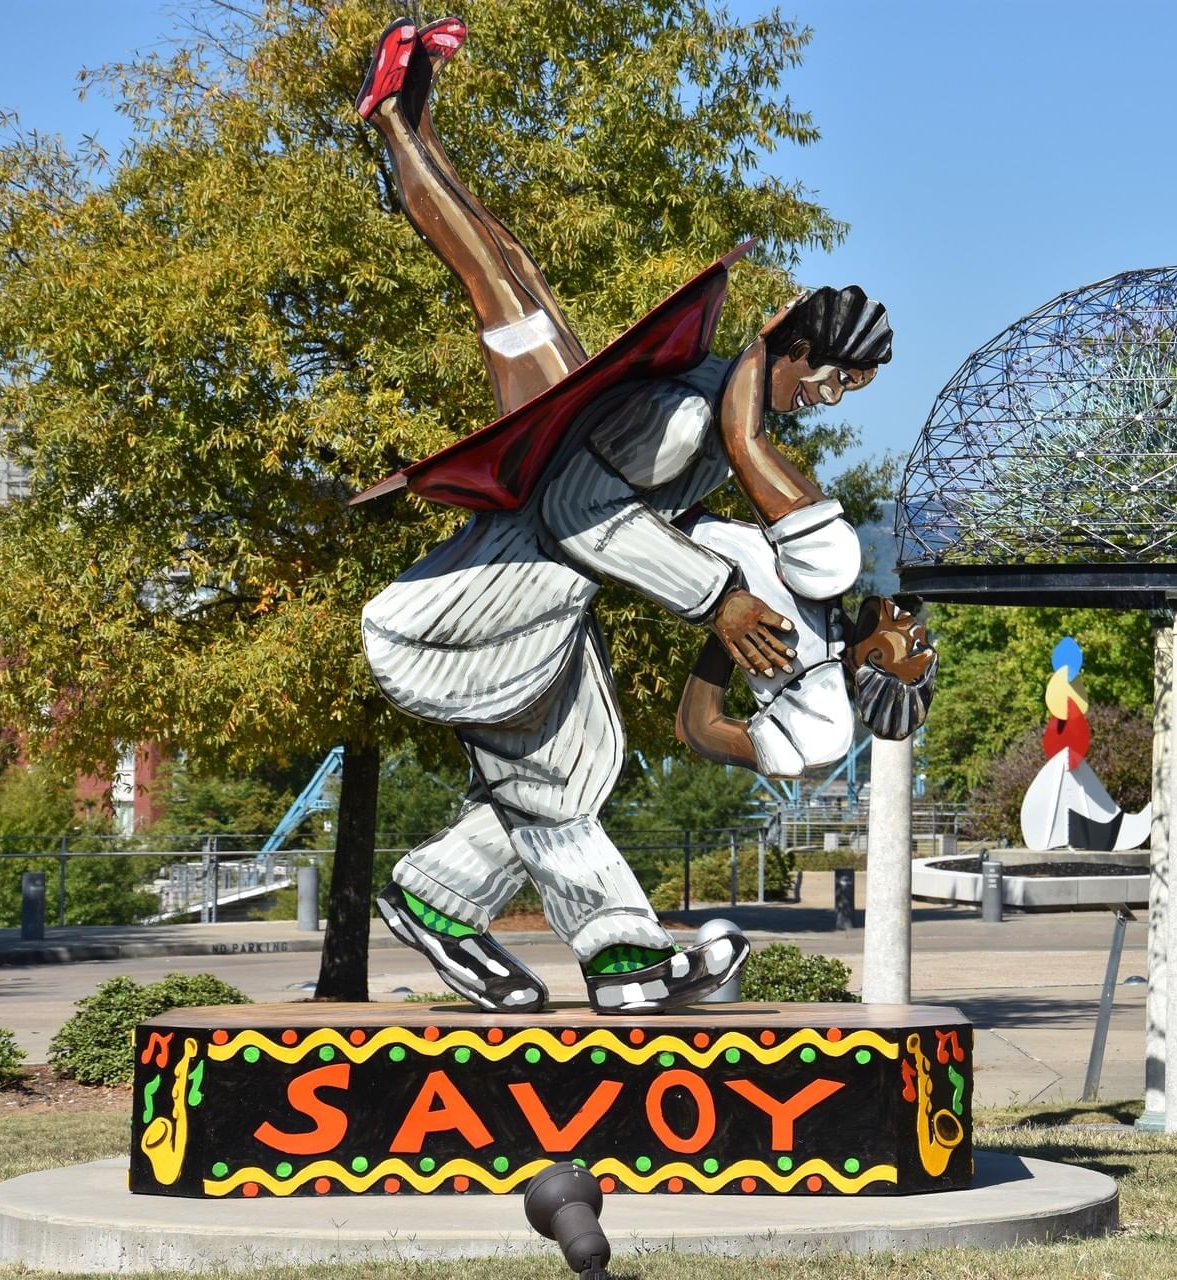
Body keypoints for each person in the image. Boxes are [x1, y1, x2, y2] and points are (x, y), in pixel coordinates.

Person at [351, 17, 897, 1014]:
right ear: (792, 351)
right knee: (562, 786)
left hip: (530, 617)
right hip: (481, 615)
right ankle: (625, 963)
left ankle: (434, 897)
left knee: (511, 281)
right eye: (829, 377)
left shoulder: (710, 421)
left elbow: (660, 519)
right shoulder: (686, 413)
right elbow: (577, 512)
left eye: (845, 390)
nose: (827, 398)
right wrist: (718, 598)